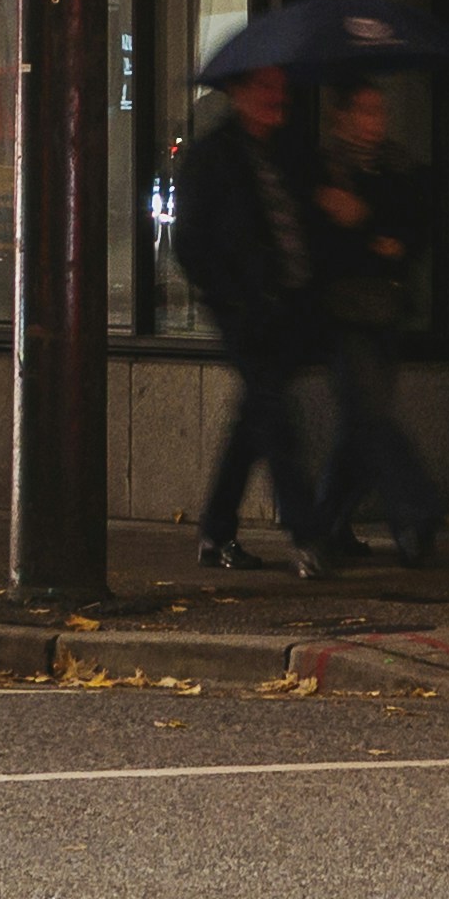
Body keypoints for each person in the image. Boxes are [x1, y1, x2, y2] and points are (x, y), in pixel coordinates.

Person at [169, 72, 346, 573]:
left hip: (290, 308)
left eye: (281, 87)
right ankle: (307, 535)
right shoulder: (213, 157)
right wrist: (230, 294)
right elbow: (191, 242)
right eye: (265, 88)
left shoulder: (288, 152)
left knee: (255, 421)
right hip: (245, 311)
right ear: (240, 94)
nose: (277, 97)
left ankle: (215, 532)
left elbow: (307, 217)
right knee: (276, 417)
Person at [301, 77, 446, 576]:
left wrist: (367, 221)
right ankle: (414, 515)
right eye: (363, 111)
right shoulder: (325, 169)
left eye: (378, 111)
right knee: (372, 415)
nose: (373, 122)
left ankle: (323, 526)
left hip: (387, 308)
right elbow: (323, 245)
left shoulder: (394, 165)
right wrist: (371, 235)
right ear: (340, 117)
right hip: (343, 313)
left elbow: (412, 226)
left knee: (362, 424)